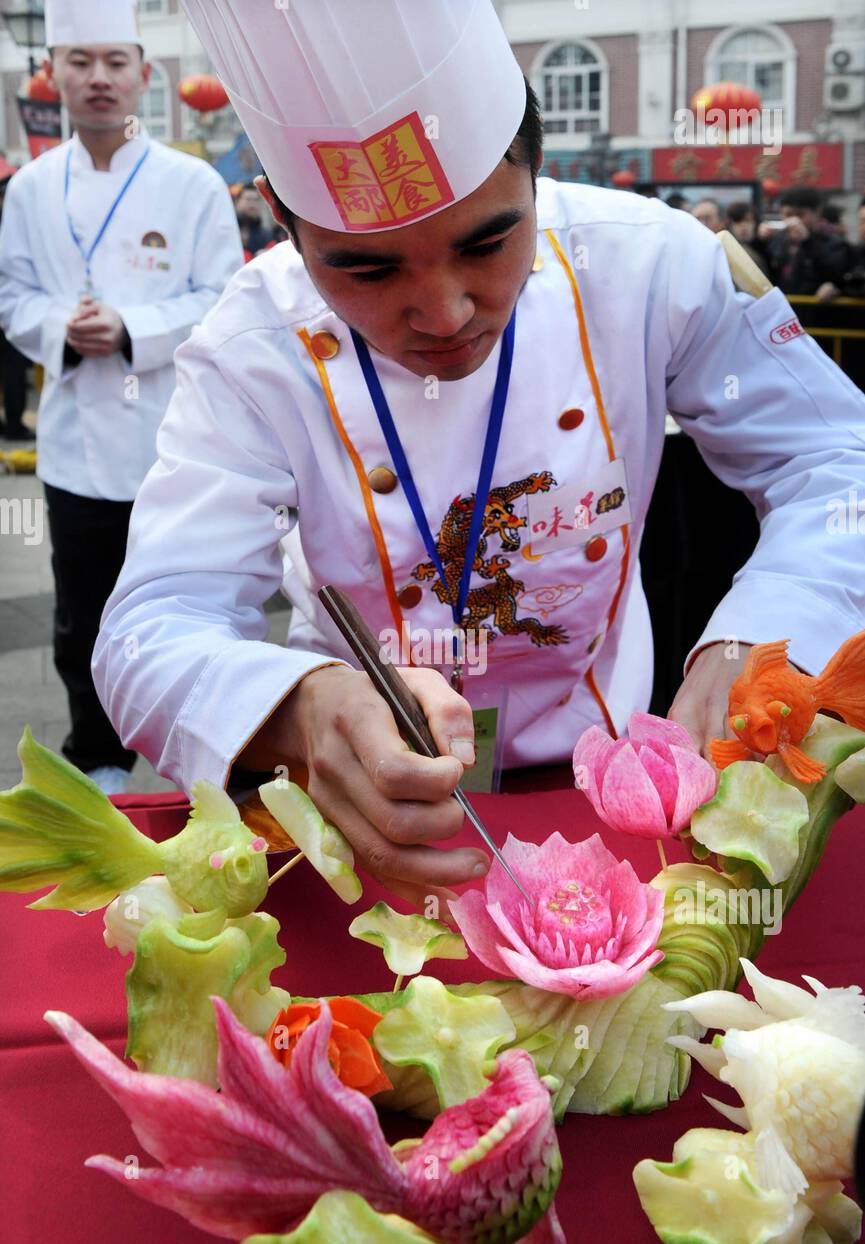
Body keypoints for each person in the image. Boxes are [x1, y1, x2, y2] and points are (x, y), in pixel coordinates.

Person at [94, 0, 865, 910]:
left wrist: (764, 636)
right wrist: (299, 709)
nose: (446, 312)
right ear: (284, 222)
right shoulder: (249, 344)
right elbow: (152, 622)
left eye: (488, 243)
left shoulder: (654, 264)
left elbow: (834, 460)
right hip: (357, 799)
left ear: (537, 175)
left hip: (612, 778)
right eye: (368, 269)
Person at [0, 0, 243, 795]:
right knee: (83, 616)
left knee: (202, 604)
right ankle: (98, 758)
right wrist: (60, 326)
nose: (98, 78)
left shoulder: (193, 182)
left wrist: (135, 326)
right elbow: (13, 296)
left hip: (180, 443)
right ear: (55, 74)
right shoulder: (31, 187)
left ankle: (217, 756)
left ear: (144, 74)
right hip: (76, 444)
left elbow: (225, 297)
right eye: (80, 62)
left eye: (114, 62)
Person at [758, 185, 851, 302]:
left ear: (817, 212)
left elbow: (834, 274)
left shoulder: (834, 243)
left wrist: (807, 241)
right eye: (788, 215)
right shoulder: (779, 240)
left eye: (800, 215)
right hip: (785, 310)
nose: (794, 221)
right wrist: (760, 242)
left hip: (816, 312)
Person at [0, 161, 34, 440]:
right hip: (9, 309)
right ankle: (13, 424)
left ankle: (12, 422)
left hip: (10, 306)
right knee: (12, 369)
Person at [725, 200, 768, 277]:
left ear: (756, 223)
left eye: (748, 221)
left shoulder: (765, 246)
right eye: (737, 221)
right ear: (730, 225)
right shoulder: (725, 249)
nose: (743, 226)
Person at [234, 182, 270, 255]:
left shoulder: (267, 235)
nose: (252, 204)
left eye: (256, 200)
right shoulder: (231, 231)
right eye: (248, 199)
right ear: (238, 202)